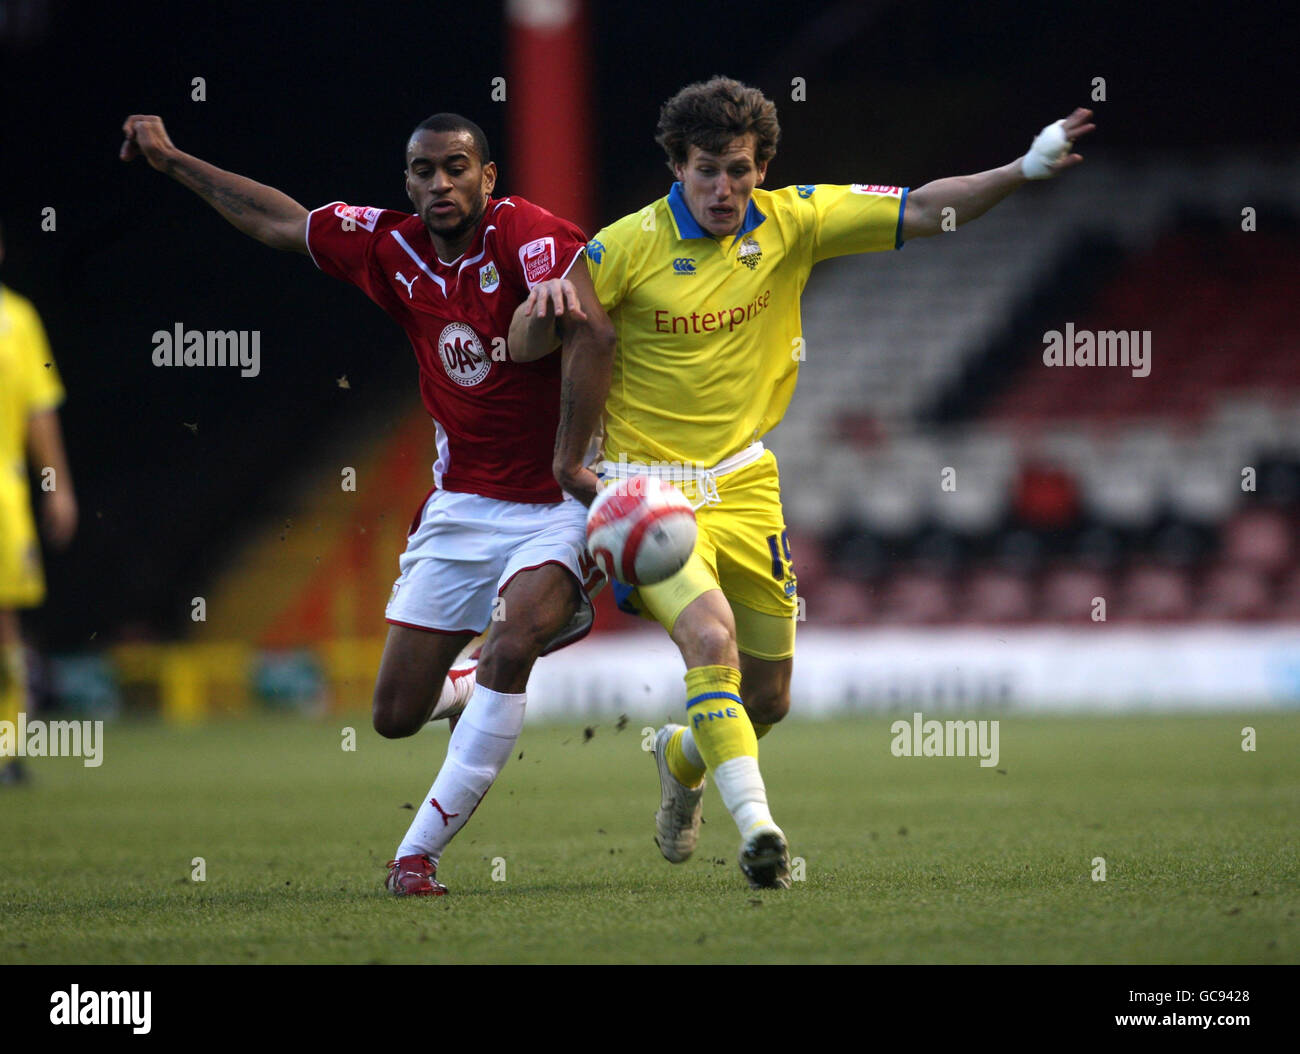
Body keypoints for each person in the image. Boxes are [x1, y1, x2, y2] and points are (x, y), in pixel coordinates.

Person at [515, 76, 1094, 889]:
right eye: (709, 169)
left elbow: (929, 210)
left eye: (742, 169)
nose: (726, 189)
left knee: (769, 700)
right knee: (709, 643)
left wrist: (1023, 168)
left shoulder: (792, 221)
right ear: (676, 164)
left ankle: (679, 757)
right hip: (649, 492)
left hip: (747, 483)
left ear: (762, 166)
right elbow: (525, 345)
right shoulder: (624, 246)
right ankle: (761, 834)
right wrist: (539, 308)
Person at [120, 112, 613, 894]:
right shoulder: (390, 247)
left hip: (555, 500)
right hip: (461, 504)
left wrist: (571, 461)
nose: (440, 182)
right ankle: (474, 676)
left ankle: (415, 856)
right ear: (408, 181)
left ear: (488, 178)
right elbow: (279, 220)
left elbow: (594, 332)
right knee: (393, 716)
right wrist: (174, 159)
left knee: (516, 642)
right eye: (424, 170)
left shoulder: (526, 232)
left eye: (457, 167)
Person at [0, 219, 78, 785]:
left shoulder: (17, 318)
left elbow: (39, 410)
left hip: (4, 494)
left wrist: (58, 488)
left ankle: (8, 749)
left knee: (3, 622)